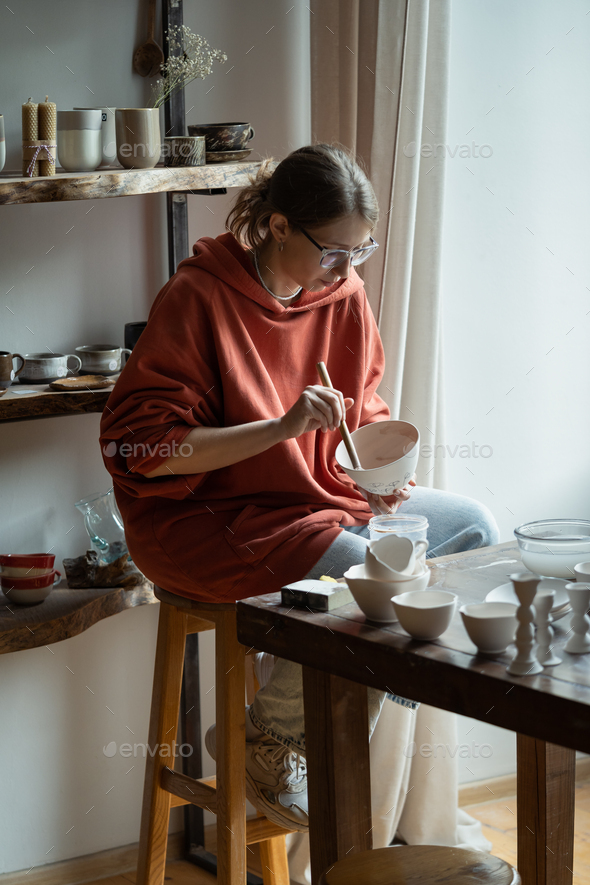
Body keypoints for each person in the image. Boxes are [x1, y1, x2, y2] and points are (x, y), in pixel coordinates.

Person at [99, 143, 499, 835]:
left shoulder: (342, 293)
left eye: (360, 250)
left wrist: (378, 477)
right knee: (380, 581)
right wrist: (280, 426)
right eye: (333, 251)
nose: (346, 270)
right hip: (211, 518)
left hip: (319, 500)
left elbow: (362, 404)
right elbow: (143, 451)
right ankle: (277, 742)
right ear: (279, 226)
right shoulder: (200, 297)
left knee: (472, 528)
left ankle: (358, 764)